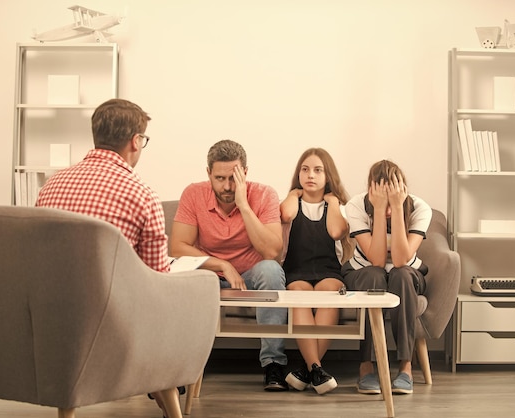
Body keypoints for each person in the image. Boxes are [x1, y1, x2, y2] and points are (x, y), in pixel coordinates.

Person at [35, 98, 174, 415]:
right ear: (135, 141)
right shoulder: (141, 193)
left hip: (50, 319)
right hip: (110, 327)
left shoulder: (51, 185)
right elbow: (159, 280)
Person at [170, 139, 289, 391]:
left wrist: (243, 204)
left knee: (272, 270)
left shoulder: (265, 194)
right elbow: (177, 247)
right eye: (220, 178)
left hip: (252, 272)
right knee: (183, 274)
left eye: (233, 178)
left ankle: (273, 364)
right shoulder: (193, 193)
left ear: (244, 173)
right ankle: (182, 368)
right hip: (210, 272)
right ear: (208, 174)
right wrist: (223, 264)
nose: (226, 186)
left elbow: (272, 252)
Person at [341, 159, 431, 395]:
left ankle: (406, 367)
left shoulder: (420, 208)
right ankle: (366, 366)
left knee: (400, 275)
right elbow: (377, 260)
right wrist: (379, 210)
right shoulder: (356, 205)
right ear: (371, 191)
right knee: (374, 276)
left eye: (393, 196)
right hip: (364, 270)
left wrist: (398, 208)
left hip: (407, 273)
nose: (388, 206)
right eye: (381, 196)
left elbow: (401, 260)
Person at [280, 148, 350, 395]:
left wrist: (332, 202)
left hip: (328, 269)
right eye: (305, 169)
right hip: (296, 270)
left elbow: (335, 232)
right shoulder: (292, 202)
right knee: (298, 297)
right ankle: (317, 370)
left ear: (328, 175)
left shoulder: (336, 205)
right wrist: (292, 193)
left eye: (318, 170)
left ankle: (309, 369)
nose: (311, 175)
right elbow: (286, 214)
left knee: (329, 295)